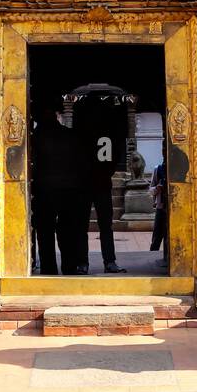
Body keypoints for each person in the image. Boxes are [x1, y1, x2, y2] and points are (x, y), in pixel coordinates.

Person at [74, 93, 126, 274]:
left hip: (85, 183)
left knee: (82, 226)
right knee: (105, 225)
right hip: (102, 182)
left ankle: (83, 263)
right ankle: (109, 261)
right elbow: (117, 154)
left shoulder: (80, 131)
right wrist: (107, 172)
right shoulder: (109, 132)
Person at [31, 107, 80, 275]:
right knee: (67, 231)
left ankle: (48, 268)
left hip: (44, 189)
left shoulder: (36, 137)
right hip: (68, 190)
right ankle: (69, 267)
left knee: (45, 232)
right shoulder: (69, 135)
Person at [150, 161, 167, 255]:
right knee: (157, 237)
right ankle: (152, 256)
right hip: (161, 207)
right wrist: (157, 188)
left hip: (174, 208)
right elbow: (151, 190)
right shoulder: (158, 169)